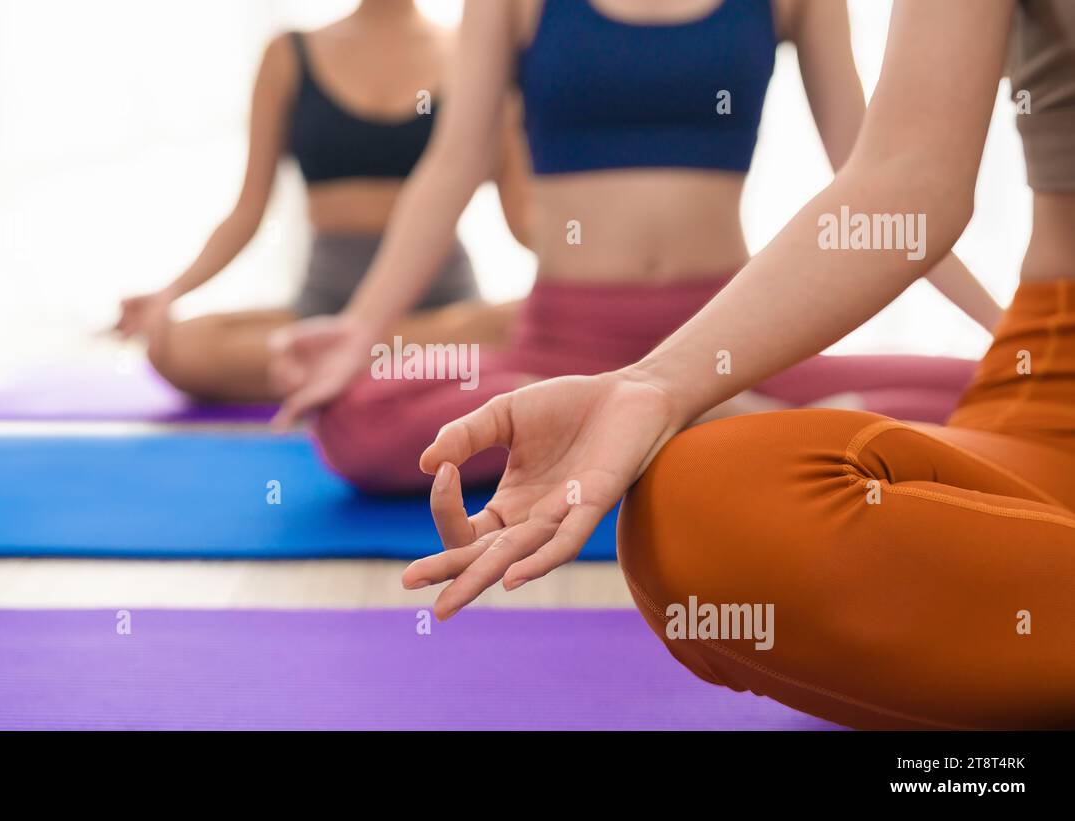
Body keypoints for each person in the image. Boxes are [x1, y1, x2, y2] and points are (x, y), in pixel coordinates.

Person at [406, 0, 1075, 729]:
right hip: (1052, 387)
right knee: (691, 503)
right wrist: (650, 387)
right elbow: (906, 180)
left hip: (741, 329)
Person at [270, 0, 1000, 492]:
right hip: (564, 350)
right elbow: (453, 163)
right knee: (354, 420)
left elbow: (884, 177)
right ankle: (722, 427)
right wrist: (362, 328)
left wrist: (1004, 325)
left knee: (999, 390)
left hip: (734, 346)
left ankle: (668, 420)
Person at [115, 0, 530, 402]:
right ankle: (388, 362)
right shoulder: (288, 55)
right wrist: (170, 292)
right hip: (325, 310)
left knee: (530, 324)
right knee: (179, 347)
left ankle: (349, 359)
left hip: (446, 312)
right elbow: (247, 211)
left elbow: (525, 220)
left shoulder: (475, 52)